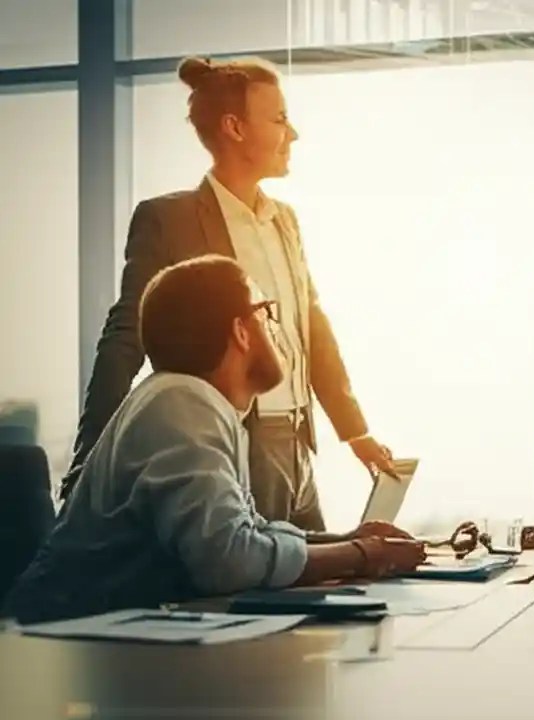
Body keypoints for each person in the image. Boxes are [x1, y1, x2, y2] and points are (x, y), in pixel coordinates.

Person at [63, 56, 396, 530]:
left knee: (324, 579)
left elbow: (312, 328)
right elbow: (125, 335)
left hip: (298, 440)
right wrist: (87, 462)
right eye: (279, 119)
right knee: (253, 582)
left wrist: (354, 431)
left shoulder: (285, 220)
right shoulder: (168, 219)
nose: (293, 134)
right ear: (234, 128)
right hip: (233, 437)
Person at [2, 256, 425, 624]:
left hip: (101, 649)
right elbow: (228, 560)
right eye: (266, 312)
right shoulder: (180, 402)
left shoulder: (195, 404)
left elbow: (247, 534)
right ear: (241, 331)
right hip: (47, 658)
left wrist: (348, 540)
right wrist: (364, 554)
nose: (276, 330)